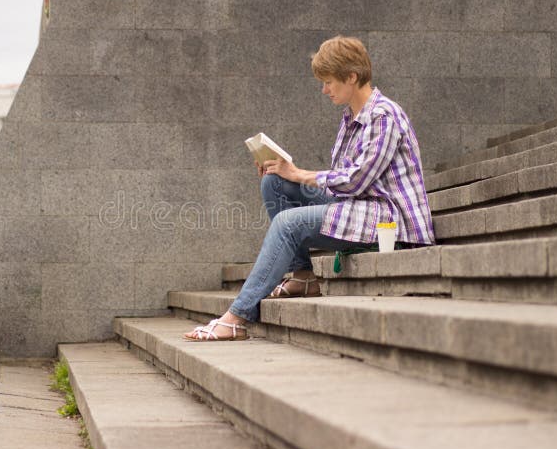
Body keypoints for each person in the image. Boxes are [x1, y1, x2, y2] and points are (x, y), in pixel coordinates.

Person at [184, 36, 435, 341]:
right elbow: (345, 182)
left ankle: (237, 316)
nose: (324, 90)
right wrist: (283, 170)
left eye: (329, 82)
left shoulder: (384, 117)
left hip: (388, 220)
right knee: (275, 182)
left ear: (351, 77)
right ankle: (303, 276)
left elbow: (356, 181)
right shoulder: (351, 118)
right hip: (360, 205)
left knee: (288, 223)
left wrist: (300, 173)